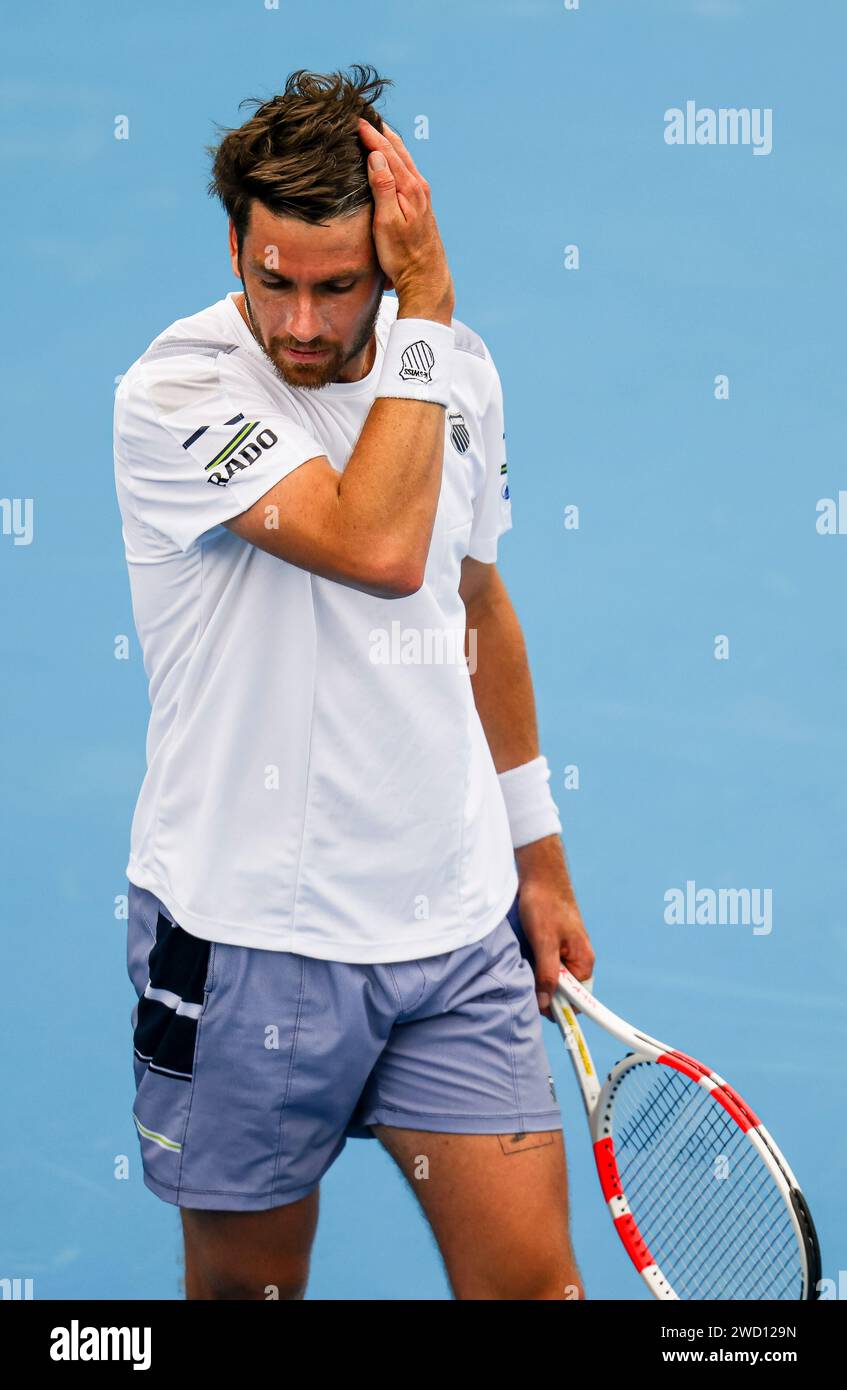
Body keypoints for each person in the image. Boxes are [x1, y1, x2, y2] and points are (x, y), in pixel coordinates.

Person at [114, 64, 595, 1301]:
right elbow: (377, 548)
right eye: (273, 278)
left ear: (386, 266)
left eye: (339, 288)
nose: (303, 326)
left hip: (451, 929)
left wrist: (534, 858)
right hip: (250, 942)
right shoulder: (176, 394)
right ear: (235, 242)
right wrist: (423, 318)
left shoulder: (458, 370)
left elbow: (471, 603)